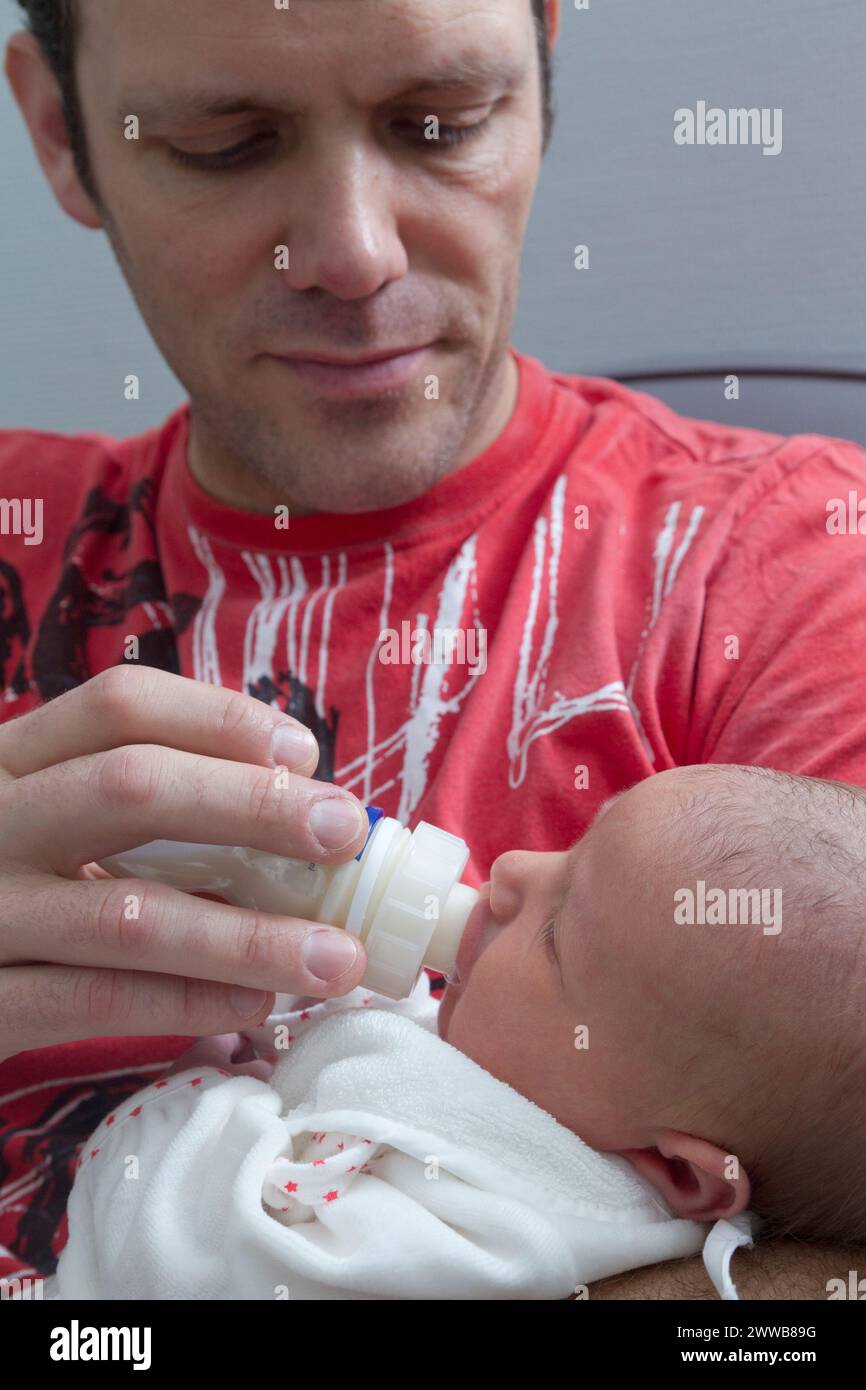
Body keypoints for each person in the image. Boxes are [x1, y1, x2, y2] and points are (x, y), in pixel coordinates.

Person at [0, 0, 864, 1298]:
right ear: (64, 134)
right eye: (227, 143)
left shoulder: (800, 576)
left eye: (439, 125)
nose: (353, 253)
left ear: (543, 67)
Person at [52, 762, 866, 1300]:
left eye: (554, 939)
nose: (511, 872)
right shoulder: (549, 1087)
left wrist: (203, 1098)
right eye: (568, 850)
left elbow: (197, 1262)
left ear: (674, 1173)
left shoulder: (510, 1233)